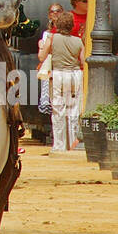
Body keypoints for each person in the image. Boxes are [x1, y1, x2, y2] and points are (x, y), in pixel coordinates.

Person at [43, 10, 85, 153]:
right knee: (73, 111)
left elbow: (42, 56)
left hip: (58, 75)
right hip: (74, 75)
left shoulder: (52, 38)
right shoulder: (78, 41)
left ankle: (59, 145)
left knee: (58, 110)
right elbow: (83, 61)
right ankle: (72, 144)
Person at [37, 1, 65, 118]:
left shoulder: (66, 31)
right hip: (49, 66)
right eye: (52, 11)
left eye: (57, 11)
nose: (55, 14)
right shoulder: (46, 33)